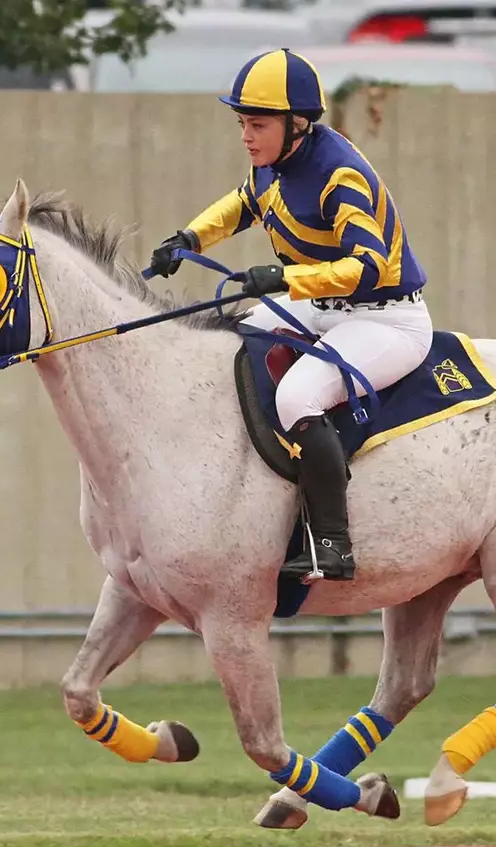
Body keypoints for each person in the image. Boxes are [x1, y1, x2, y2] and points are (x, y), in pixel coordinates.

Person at [150, 47, 432, 584]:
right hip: (320, 306)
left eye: (257, 124)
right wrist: (187, 238)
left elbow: (367, 266)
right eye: (241, 123)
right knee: (230, 346)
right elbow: (243, 203)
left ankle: (331, 544)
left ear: (297, 123)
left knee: (298, 396)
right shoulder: (274, 162)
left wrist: (285, 279)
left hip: (384, 320)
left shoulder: (340, 175)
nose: (246, 136)